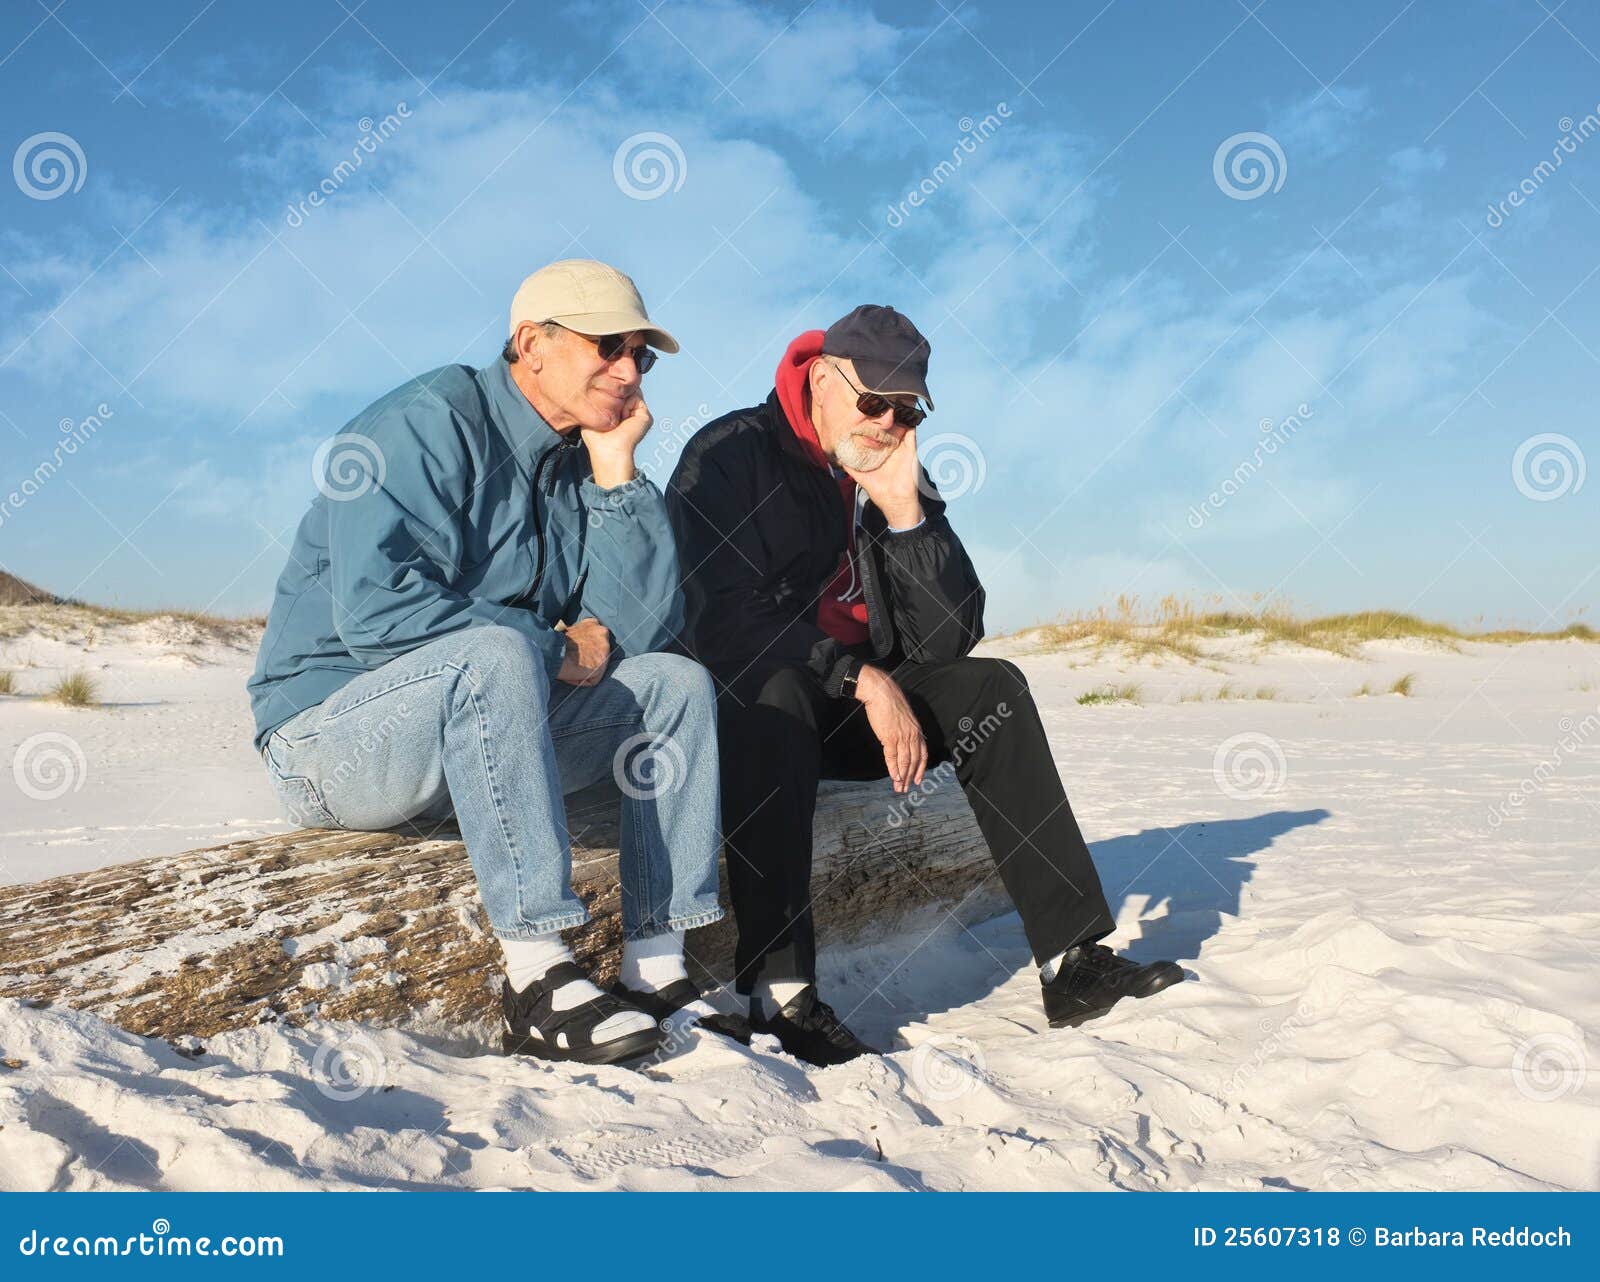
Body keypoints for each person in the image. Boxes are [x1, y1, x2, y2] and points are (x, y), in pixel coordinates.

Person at [666, 304, 1184, 1066]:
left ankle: (1070, 963)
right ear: (821, 376)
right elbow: (721, 620)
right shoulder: (730, 453)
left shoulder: (889, 463)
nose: (886, 423)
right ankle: (779, 998)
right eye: (873, 402)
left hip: (861, 706)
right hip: (758, 705)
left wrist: (908, 515)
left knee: (994, 688)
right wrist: (859, 679)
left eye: (907, 410)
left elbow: (948, 639)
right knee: (774, 694)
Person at [247, 259, 727, 1066]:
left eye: (641, 356)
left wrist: (615, 474)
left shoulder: (574, 463)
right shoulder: (427, 422)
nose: (628, 370)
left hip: (480, 731)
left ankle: (656, 967)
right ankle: (537, 977)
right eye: (609, 346)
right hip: (329, 739)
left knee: (676, 687)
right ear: (532, 343)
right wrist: (549, 646)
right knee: (500, 653)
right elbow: (374, 612)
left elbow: (639, 640)